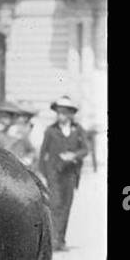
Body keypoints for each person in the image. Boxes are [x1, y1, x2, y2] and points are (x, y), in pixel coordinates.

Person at [38, 95, 88, 250]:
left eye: (65, 113)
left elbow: (86, 149)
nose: (62, 116)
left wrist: (74, 155)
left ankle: (61, 240)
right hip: (54, 173)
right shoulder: (51, 130)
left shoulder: (78, 130)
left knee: (66, 206)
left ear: (71, 114)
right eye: (59, 113)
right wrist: (45, 173)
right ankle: (53, 240)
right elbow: (43, 152)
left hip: (71, 173)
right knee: (55, 205)